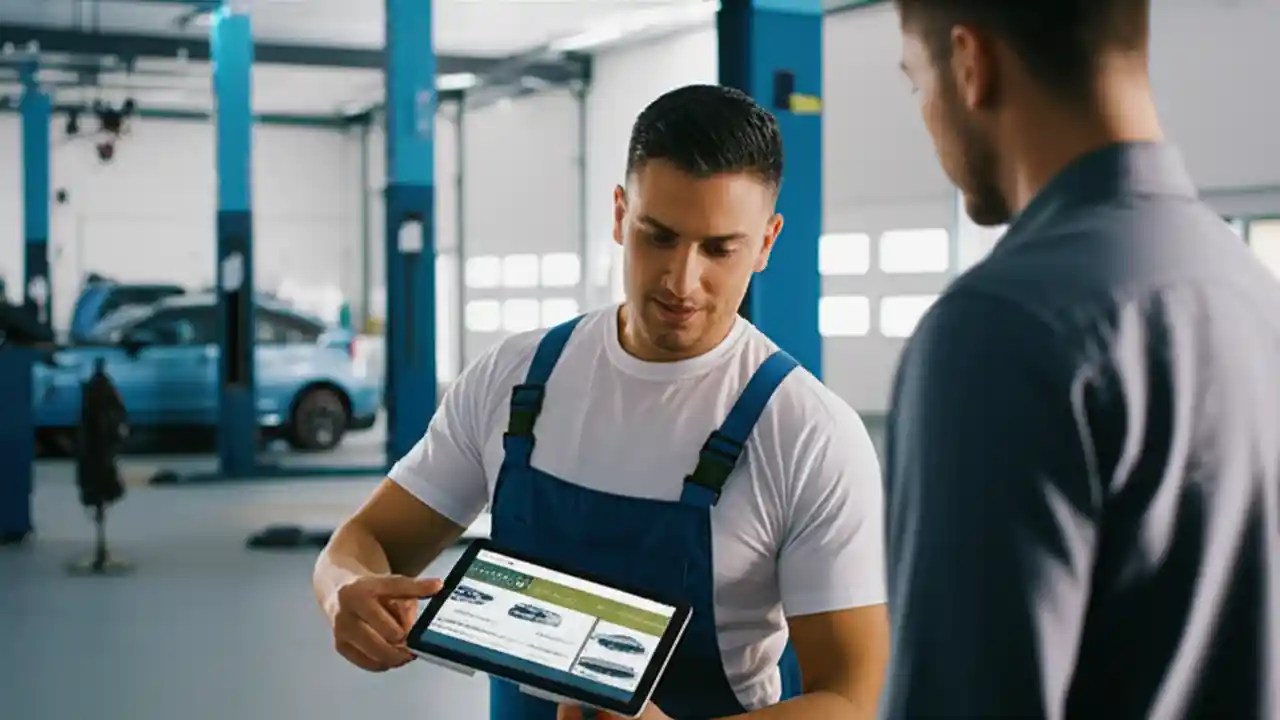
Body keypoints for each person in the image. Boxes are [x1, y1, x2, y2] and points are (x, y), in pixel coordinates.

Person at [313, 84, 889, 719]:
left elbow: (852, 698)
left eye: (719, 248)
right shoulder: (515, 377)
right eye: (658, 236)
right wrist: (343, 590)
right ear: (620, 214)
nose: (681, 280)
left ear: (766, 243)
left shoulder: (807, 432)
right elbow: (368, 540)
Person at [883, 1, 1280, 718]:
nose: (925, 114)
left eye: (917, 81)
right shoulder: (1251, 294)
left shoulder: (1001, 329)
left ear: (971, 64)